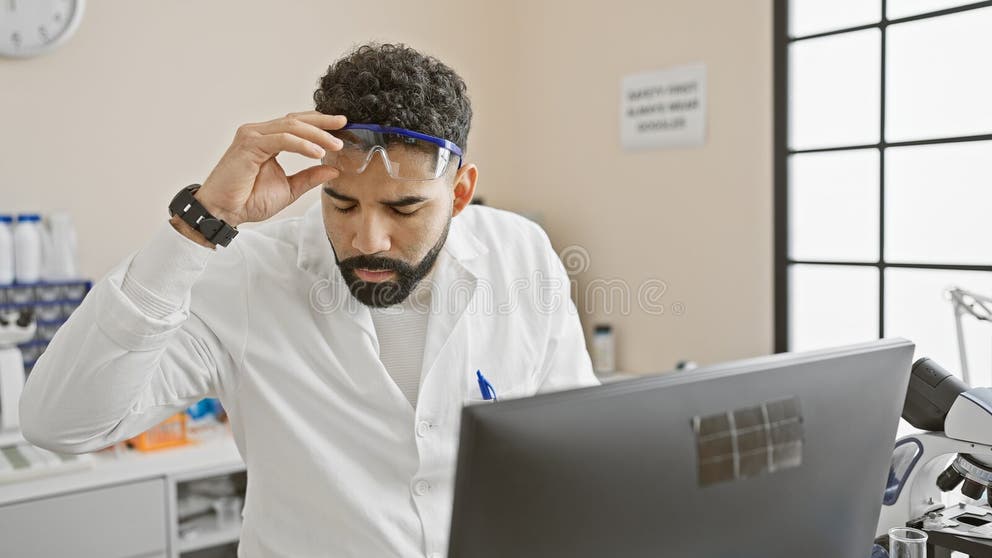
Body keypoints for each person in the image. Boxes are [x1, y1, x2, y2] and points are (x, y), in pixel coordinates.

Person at [20, 42, 597, 557]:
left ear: (461, 191)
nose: (368, 240)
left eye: (404, 209)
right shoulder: (246, 276)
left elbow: (573, 447)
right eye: (343, 205)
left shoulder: (521, 253)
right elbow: (61, 423)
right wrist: (202, 224)